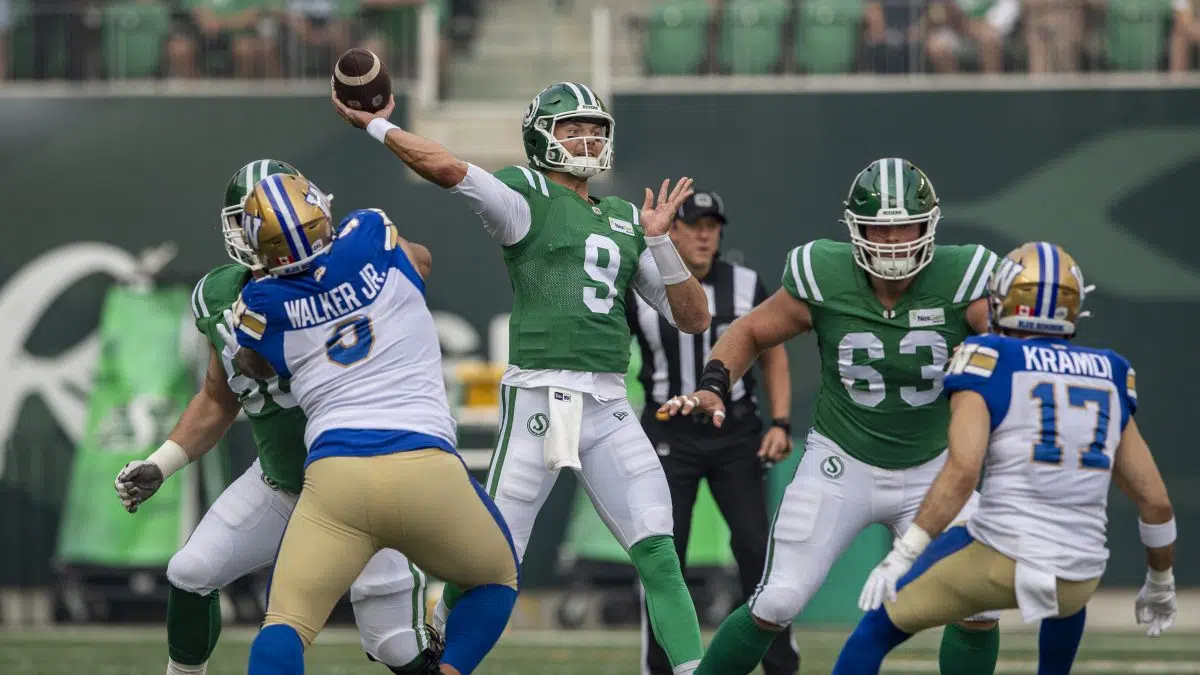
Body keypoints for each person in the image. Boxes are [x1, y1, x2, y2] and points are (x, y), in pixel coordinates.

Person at [332, 81, 712, 674]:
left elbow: (694, 318)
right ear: (542, 135)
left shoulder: (625, 219)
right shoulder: (523, 193)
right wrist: (377, 125)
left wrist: (662, 241)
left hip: (608, 404)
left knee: (660, 555)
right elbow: (449, 168)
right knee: (491, 552)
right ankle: (438, 633)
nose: (586, 138)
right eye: (571, 128)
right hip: (539, 393)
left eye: (595, 128)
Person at [662, 158, 1005, 675]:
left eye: (904, 226)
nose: (892, 241)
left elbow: (1012, 351)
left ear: (928, 225)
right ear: (856, 230)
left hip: (934, 467)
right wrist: (714, 385)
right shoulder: (824, 272)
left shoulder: (964, 277)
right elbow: (750, 331)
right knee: (776, 600)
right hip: (842, 463)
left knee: (979, 605)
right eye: (879, 229)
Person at [113, 160, 442, 675]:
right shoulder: (220, 296)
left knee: (398, 645)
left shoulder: (350, 273)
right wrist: (163, 461)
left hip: (364, 486)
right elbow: (219, 397)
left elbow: (419, 262)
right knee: (191, 571)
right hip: (283, 482)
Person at [217, 174, 518, 675]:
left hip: (336, 478)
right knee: (495, 579)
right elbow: (419, 260)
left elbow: (255, 364)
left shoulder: (260, 307)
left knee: (286, 623)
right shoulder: (369, 232)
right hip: (425, 466)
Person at [830, 242, 1178, 674]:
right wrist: (1160, 582)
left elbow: (962, 473)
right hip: (1079, 574)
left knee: (875, 630)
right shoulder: (1111, 371)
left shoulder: (987, 359)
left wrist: (903, 554)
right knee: (1065, 598)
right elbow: (1156, 502)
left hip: (998, 559)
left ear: (1004, 301)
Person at [628, 190, 798, 675]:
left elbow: (774, 352)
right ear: (672, 230)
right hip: (667, 434)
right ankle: (660, 669)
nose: (705, 234)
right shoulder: (642, 282)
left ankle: (781, 666)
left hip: (735, 434)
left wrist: (781, 423)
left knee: (753, 548)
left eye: (713, 225)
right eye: (694, 224)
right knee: (665, 556)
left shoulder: (745, 284)